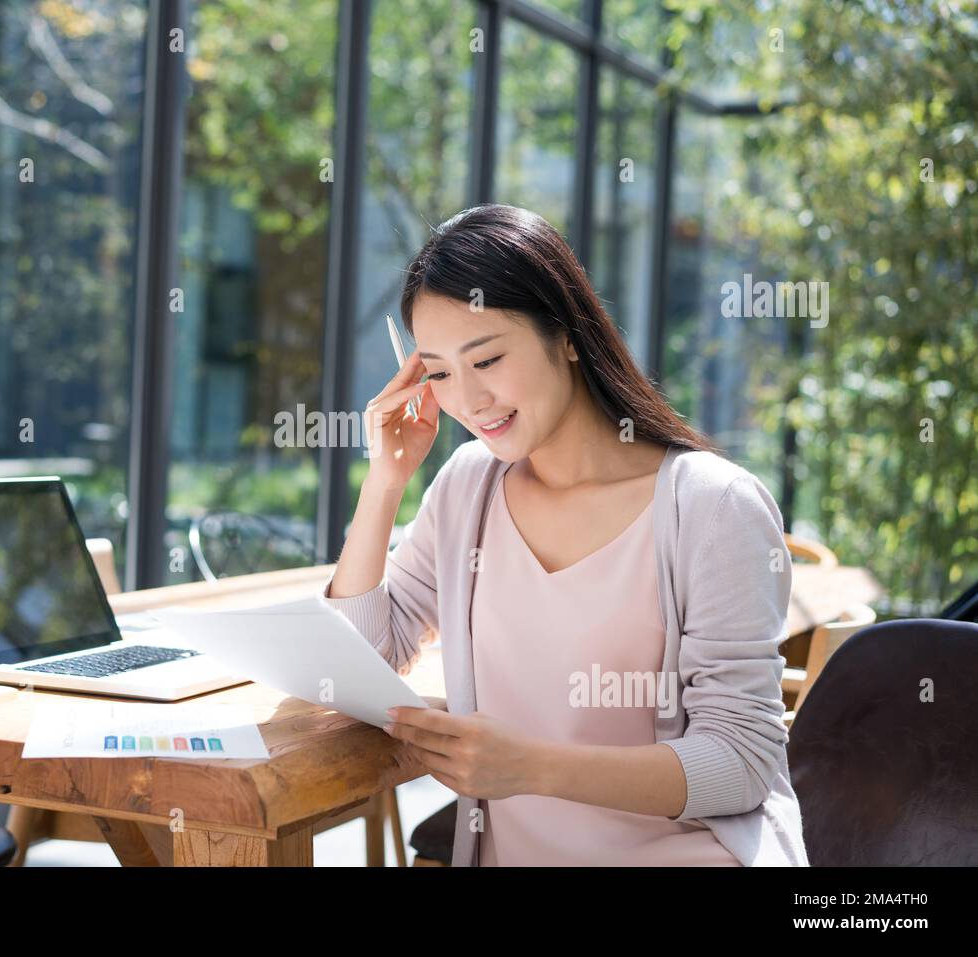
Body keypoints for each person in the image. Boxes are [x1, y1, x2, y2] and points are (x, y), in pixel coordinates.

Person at [324, 204, 808, 867]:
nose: (468, 400)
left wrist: (531, 767)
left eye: (487, 357)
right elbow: (362, 663)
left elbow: (741, 762)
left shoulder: (711, 506)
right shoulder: (469, 488)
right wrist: (384, 481)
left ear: (568, 335)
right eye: (437, 372)